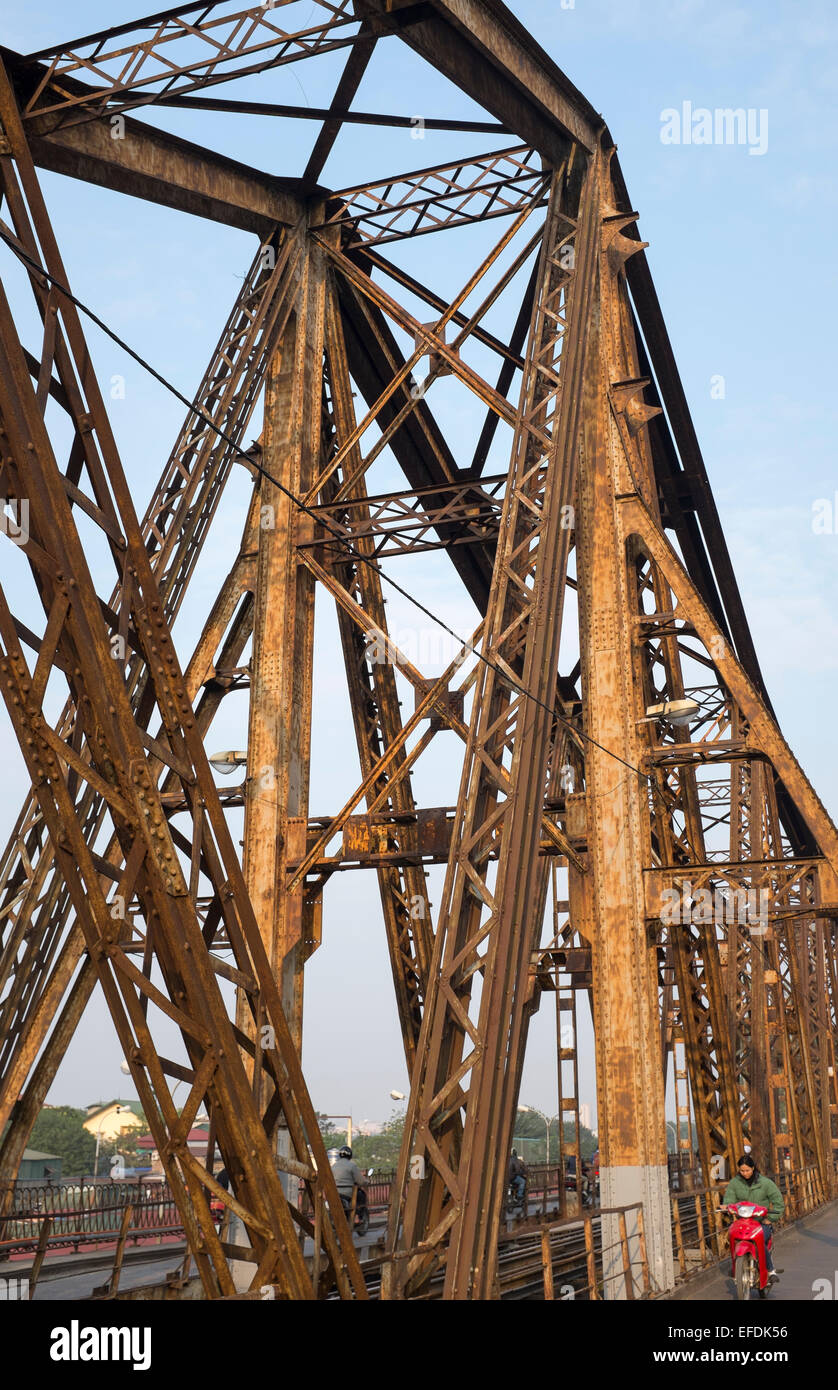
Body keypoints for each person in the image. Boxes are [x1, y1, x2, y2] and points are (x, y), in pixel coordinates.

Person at [721, 1153, 784, 1284]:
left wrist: (771, 1218)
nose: (745, 1173)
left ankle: (770, 1270)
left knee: (759, 1240)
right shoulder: (734, 1183)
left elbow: (778, 1203)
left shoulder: (766, 1183)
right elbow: (729, 1200)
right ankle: (736, 1267)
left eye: (747, 1170)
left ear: (753, 1168)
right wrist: (727, 1207)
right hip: (742, 1222)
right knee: (731, 1236)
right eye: (742, 1171)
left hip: (761, 1223)